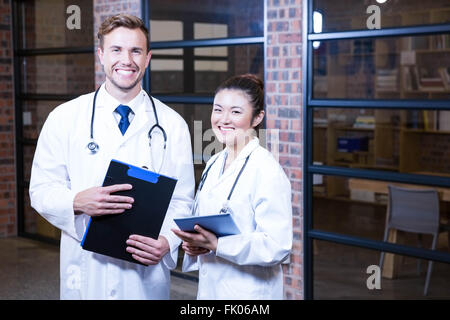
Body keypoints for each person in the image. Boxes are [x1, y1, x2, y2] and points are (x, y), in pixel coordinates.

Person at [29, 14, 195, 299]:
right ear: (101, 55)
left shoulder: (172, 125)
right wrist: (76, 201)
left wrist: (167, 241)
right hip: (86, 271)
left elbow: (182, 200)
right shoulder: (65, 118)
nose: (126, 60)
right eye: (116, 50)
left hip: (145, 277)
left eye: (136, 51)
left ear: (147, 58)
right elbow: (41, 190)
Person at [172, 74, 292, 300]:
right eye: (218, 110)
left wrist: (218, 244)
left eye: (236, 112)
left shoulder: (266, 170)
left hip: (250, 294)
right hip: (211, 289)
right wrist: (197, 245)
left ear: (257, 118)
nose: (223, 119)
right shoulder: (215, 162)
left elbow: (277, 245)